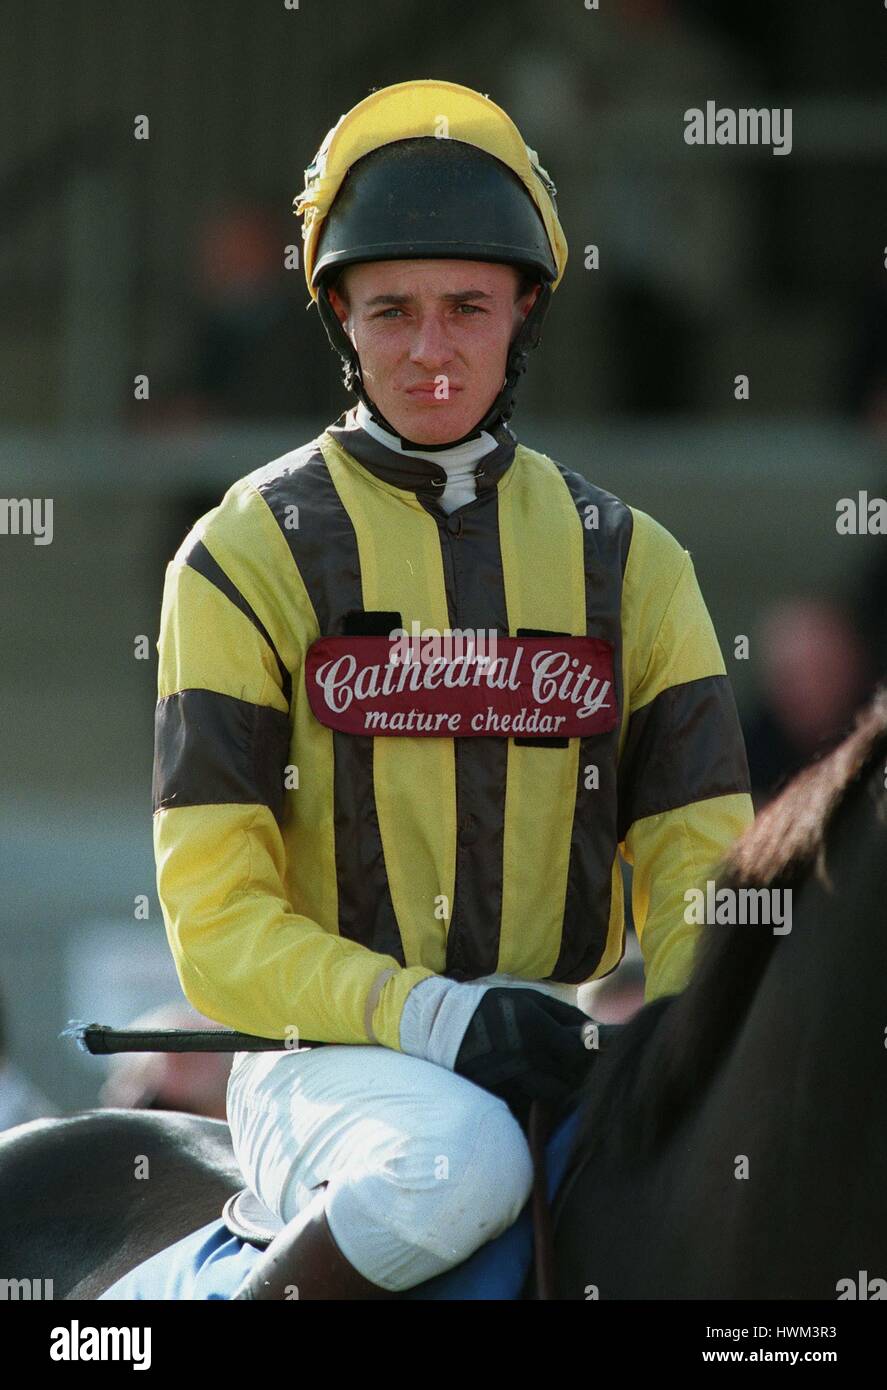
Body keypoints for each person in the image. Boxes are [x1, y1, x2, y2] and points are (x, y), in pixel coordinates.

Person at [151, 79, 754, 1298]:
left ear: (526, 307)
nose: (430, 353)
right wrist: (436, 1018)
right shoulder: (238, 557)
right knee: (455, 1157)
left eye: (467, 307)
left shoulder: (634, 562)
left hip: (558, 1039)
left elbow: (704, 872)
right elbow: (214, 924)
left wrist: (684, 1056)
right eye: (392, 311)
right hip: (319, 1066)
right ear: (338, 314)